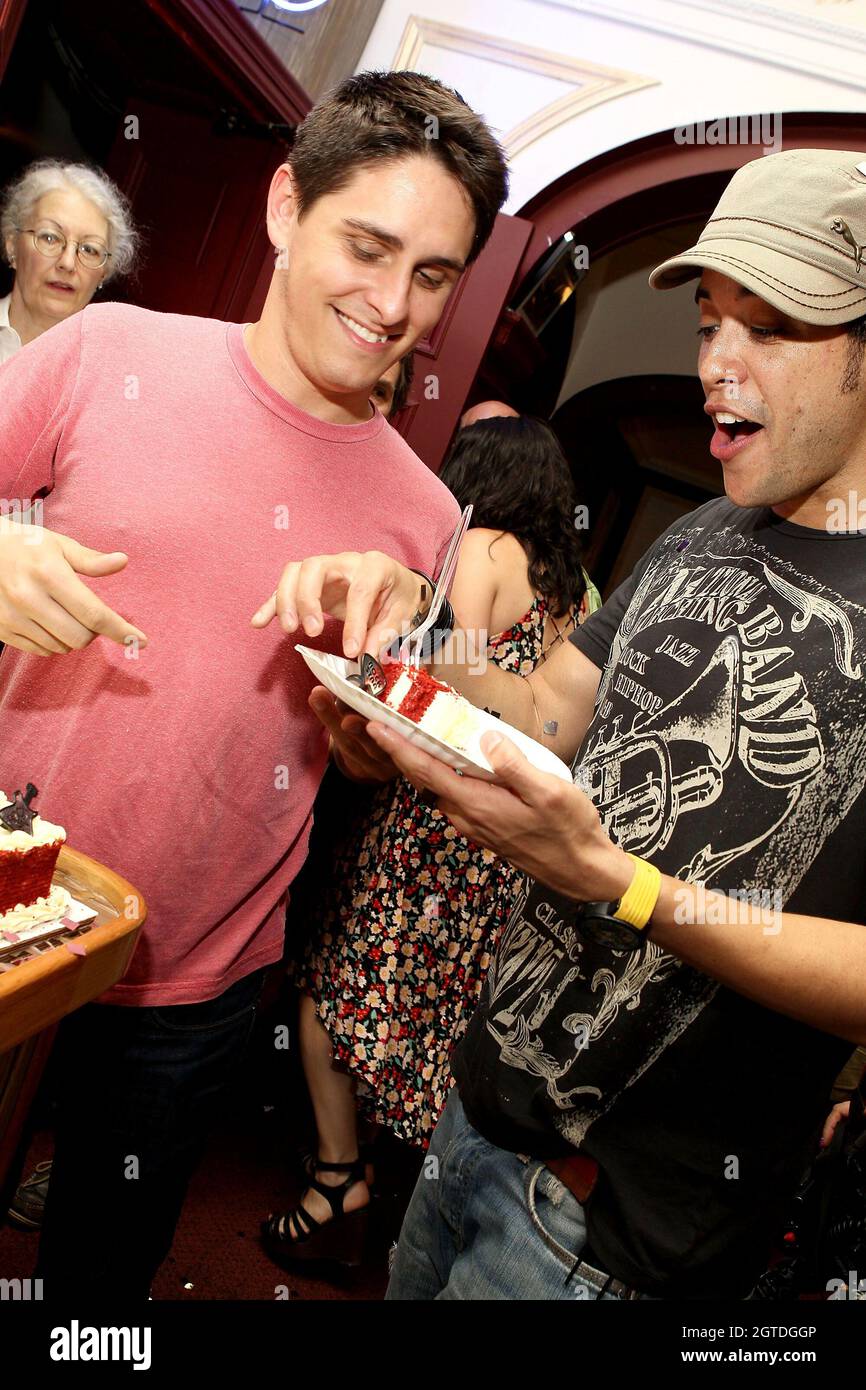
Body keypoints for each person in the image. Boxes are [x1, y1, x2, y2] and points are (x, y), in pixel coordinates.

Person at [269, 147, 866, 1300]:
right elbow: (543, 701)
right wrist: (417, 630)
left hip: (610, 1239)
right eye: (706, 323)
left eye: (771, 327)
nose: (715, 367)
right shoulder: (699, 536)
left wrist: (619, 883)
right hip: (472, 1123)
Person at [0, 70, 508, 1298]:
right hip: (10, 903)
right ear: (285, 207)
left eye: (432, 274)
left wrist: (375, 707)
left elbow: (369, 758)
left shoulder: (424, 513)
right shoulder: (105, 350)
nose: (393, 307)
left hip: (198, 963)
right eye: (368, 246)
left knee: (101, 1278)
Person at [263, 416, 600, 1266]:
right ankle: (410, 1196)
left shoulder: (482, 549)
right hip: (509, 844)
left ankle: (339, 1182)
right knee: (441, 1013)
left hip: (434, 825)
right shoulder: (583, 594)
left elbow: (438, 678)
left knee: (333, 985)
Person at [0, 159, 137, 364]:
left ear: (104, 272)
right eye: (50, 238)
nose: (68, 263)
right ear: (13, 246)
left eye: (89, 249)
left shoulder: (108, 372)